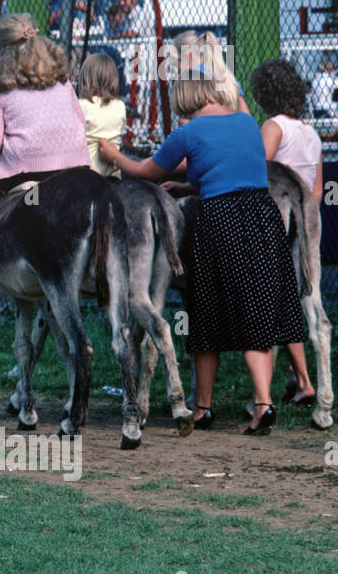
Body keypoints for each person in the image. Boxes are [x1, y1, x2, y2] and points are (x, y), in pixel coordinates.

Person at [98, 75, 305, 435]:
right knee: (256, 308)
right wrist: (188, 184)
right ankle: (263, 402)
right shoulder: (245, 121)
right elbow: (234, 169)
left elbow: (148, 170)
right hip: (261, 213)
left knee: (207, 310)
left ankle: (203, 408)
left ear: (186, 99)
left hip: (219, 218)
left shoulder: (188, 132)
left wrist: (115, 156)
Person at [0, 13, 89, 248]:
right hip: (75, 165)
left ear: (3, 51)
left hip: (31, 171)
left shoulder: (2, 87)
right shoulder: (62, 80)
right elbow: (81, 123)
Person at [251, 57, 324, 407]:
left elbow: (256, 172)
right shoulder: (311, 133)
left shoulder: (273, 127)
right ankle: (303, 380)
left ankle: (280, 389)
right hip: (307, 222)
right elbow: (316, 191)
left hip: (277, 217)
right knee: (302, 297)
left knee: (273, 301)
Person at [171, 30, 250, 114]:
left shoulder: (191, 81)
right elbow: (246, 115)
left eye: (177, 63)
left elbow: (186, 121)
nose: (178, 72)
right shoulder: (228, 77)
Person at [77, 53, 126, 178]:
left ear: (85, 79)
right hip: (113, 174)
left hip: (88, 174)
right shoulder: (120, 106)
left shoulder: (82, 105)